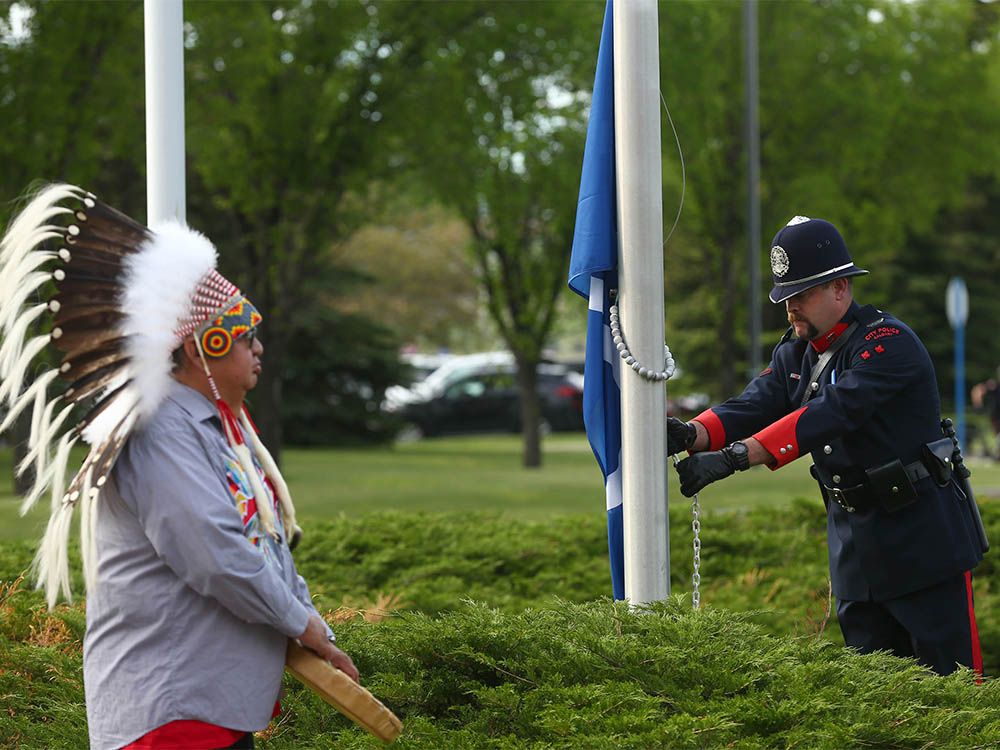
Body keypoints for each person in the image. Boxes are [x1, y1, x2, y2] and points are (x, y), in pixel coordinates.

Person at [0, 184, 357, 749]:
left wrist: (307, 621)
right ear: (200, 347)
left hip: (202, 706)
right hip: (171, 713)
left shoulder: (213, 429)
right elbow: (215, 555)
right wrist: (302, 623)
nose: (258, 348)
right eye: (245, 334)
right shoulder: (160, 430)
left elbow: (262, 543)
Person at [668, 215, 988, 677]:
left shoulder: (886, 343)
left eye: (801, 295)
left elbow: (831, 412)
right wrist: (692, 433)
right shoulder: (798, 351)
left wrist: (737, 457)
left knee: (956, 695)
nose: (790, 308)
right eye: (785, 297)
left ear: (840, 288)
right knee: (876, 703)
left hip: (924, 546)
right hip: (856, 554)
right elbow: (756, 403)